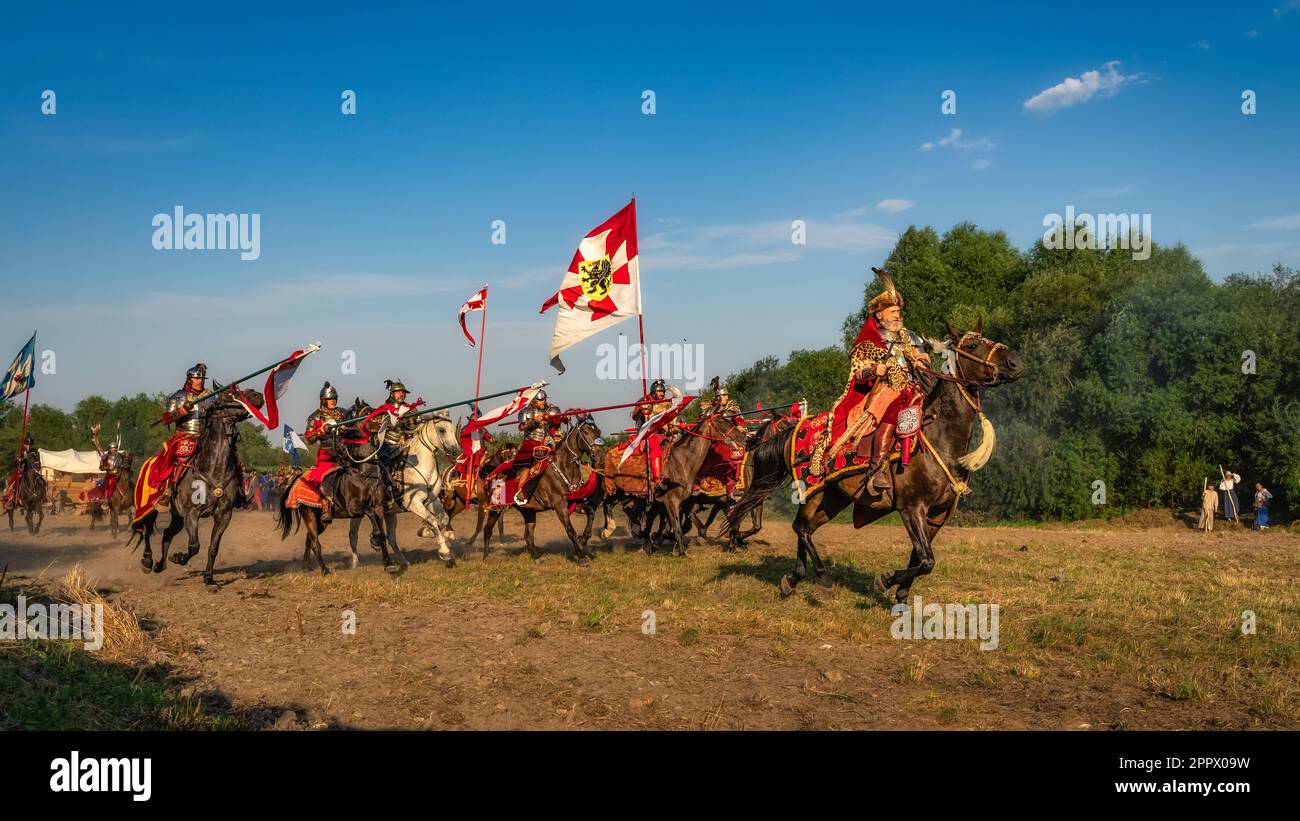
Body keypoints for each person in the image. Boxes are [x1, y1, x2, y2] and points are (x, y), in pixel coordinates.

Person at [811, 267, 930, 491]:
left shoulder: (910, 337)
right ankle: (877, 469)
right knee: (893, 412)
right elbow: (858, 373)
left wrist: (922, 360)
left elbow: (920, 362)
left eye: (898, 311)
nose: (897, 315)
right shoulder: (867, 342)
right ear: (879, 314)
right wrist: (875, 370)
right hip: (885, 391)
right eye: (892, 311)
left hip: (914, 387)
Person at [363, 379, 425, 504]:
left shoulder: (410, 409)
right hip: (388, 443)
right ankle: (387, 490)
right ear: (392, 394)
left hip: (409, 442)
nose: (401, 395)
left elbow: (420, 423)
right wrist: (379, 422)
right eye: (398, 393)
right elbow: (372, 424)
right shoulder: (385, 408)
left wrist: (415, 421)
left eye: (403, 393)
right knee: (385, 463)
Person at [302, 381, 347, 522]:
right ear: (323, 401)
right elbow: (308, 439)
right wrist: (320, 431)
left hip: (346, 452)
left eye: (334, 398)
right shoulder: (315, 417)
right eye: (330, 399)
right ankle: (326, 507)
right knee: (321, 478)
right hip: (327, 454)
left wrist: (348, 428)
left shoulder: (344, 414)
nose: (333, 401)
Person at [632, 378, 682, 486]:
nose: (662, 393)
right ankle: (658, 477)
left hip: (663, 434)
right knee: (657, 444)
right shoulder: (644, 400)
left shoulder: (665, 403)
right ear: (654, 392)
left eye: (663, 391)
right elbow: (634, 416)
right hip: (647, 434)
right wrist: (642, 408)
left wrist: (673, 427)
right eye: (659, 391)